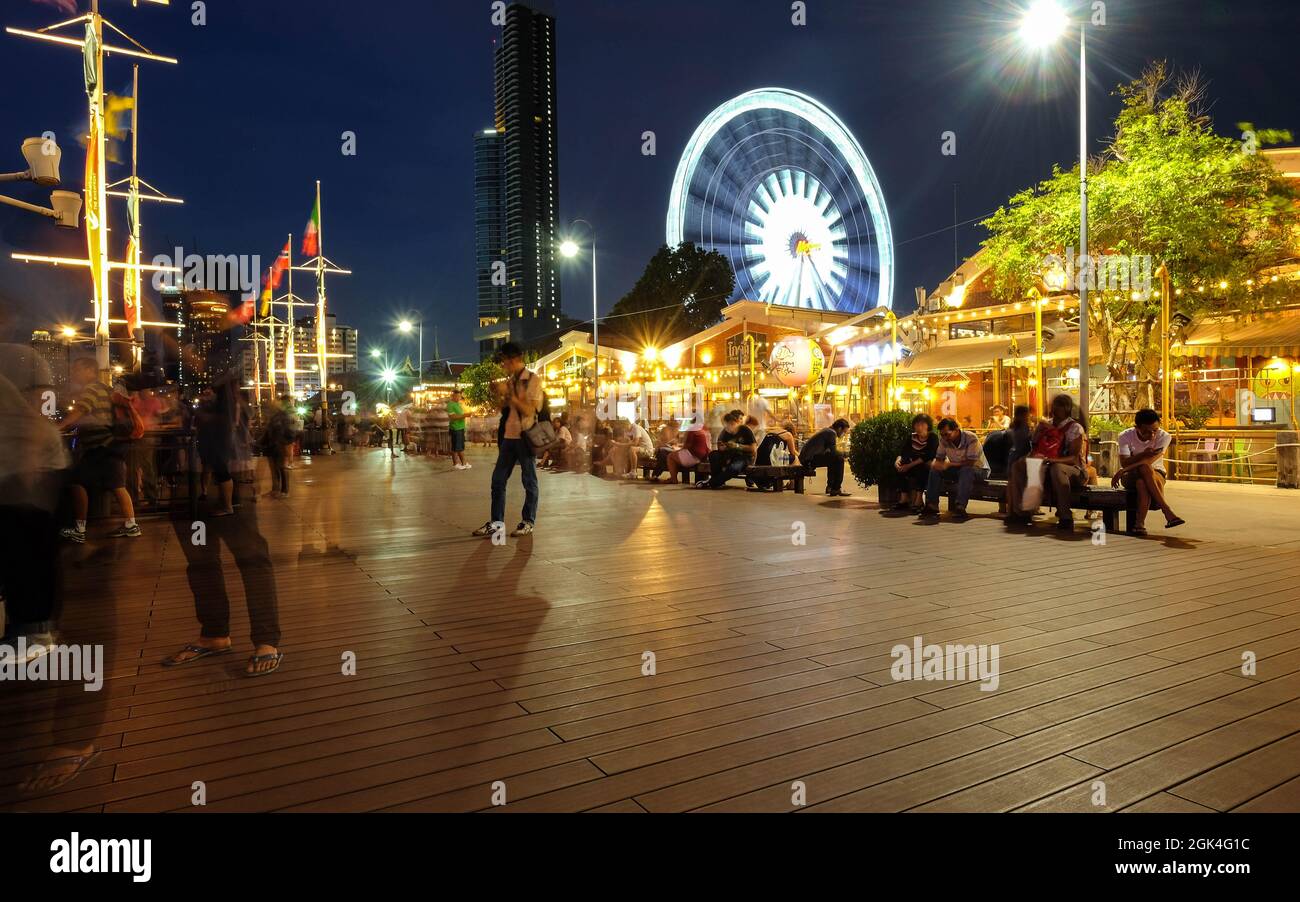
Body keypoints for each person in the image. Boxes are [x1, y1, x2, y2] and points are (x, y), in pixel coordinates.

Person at [58, 357, 141, 542]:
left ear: (90, 370)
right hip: (113, 445)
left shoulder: (91, 389)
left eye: (78, 369)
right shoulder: (106, 389)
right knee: (117, 485)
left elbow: (79, 411)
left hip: (101, 445)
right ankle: (130, 525)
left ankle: (79, 529)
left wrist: (58, 427)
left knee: (76, 481)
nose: (75, 373)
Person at [473, 343, 542, 538]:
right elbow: (503, 408)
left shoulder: (533, 380)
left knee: (529, 481)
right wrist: (498, 393)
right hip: (508, 438)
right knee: (497, 481)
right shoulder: (511, 381)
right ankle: (497, 524)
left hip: (525, 437)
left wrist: (511, 395)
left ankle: (528, 521)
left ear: (512, 360)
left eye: (504, 361)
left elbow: (530, 409)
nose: (503, 365)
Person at [1005, 394, 1086, 529]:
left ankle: (1065, 515)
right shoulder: (1045, 424)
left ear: (1067, 409)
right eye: (1054, 406)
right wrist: (1038, 433)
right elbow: (1035, 447)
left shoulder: (1074, 428)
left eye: (1059, 406)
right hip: (1045, 464)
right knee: (1019, 465)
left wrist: (1049, 460)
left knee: (1057, 468)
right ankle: (1020, 511)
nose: (1055, 409)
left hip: (1074, 470)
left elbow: (1073, 458)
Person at [1114, 408, 1185, 536]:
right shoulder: (1125, 436)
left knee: (1142, 481)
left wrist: (1123, 470)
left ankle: (1139, 524)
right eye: (1146, 431)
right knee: (1144, 469)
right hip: (1131, 476)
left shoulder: (1164, 436)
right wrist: (1138, 458)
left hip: (1156, 473)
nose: (1152, 435)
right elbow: (1125, 461)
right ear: (1137, 427)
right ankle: (1167, 511)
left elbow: (1149, 461)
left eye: (1155, 430)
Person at [919, 417, 989, 521]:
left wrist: (949, 464)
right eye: (942, 434)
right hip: (958, 469)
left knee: (966, 470)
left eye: (947, 434)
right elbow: (939, 458)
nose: (944, 437)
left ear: (956, 430)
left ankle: (960, 507)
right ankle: (932, 505)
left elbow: (970, 462)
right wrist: (936, 464)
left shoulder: (971, 438)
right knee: (935, 470)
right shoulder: (944, 440)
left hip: (979, 469)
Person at [698, 409, 756, 489]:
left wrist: (737, 446)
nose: (726, 428)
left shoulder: (745, 430)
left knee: (734, 467)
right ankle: (717, 482)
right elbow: (720, 448)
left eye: (728, 425)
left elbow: (753, 449)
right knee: (713, 455)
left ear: (733, 423)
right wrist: (723, 448)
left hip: (743, 457)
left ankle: (712, 482)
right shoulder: (725, 432)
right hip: (729, 456)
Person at [894, 413, 938, 511]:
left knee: (920, 468)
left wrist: (909, 465)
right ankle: (904, 499)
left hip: (926, 464)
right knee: (901, 468)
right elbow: (904, 452)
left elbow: (928, 455)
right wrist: (898, 461)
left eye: (922, 424)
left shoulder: (932, 437)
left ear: (928, 425)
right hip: (912, 463)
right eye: (917, 425)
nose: (919, 427)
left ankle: (919, 500)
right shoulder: (912, 437)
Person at [800, 418, 852, 497]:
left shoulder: (828, 431)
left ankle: (830, 487)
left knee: (833, 459)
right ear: (839, 428)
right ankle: (836, 488)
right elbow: (835, 452)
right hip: (809, 461)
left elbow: (831, 452)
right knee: (839, 459)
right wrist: (848, 454)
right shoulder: (831, 433)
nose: (843, 434)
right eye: (844, 432)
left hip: (807, 459)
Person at [261, 399, 297, 498]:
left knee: (281, 467)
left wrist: (283, 444)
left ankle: (284, 491)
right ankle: (276, 490)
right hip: (274, 445)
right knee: (275, 468)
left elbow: (285, 432)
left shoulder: (281, 417)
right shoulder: (275, 417)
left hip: (279, 445)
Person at [667, 415, 710, 484]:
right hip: (704, 455)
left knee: (671, 456)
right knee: (677, 455)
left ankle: (673, 479)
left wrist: (678, 449)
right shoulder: (705, 429)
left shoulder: (692, 429)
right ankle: (674, 477)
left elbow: (687, 445)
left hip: (694, 455)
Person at [447, 387, 470, 470]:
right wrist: (465, 415)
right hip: (455, 428)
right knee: (456, 447)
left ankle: (463, 463)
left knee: (460, 446)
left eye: (459, 396)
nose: (459, 398)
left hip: (460, 428)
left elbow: (460, 414)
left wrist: (465, 414)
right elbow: (452, 416)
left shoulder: (458, 404)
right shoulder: (450, 405)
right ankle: (456, 463)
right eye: (457, 396)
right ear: (452, 396)